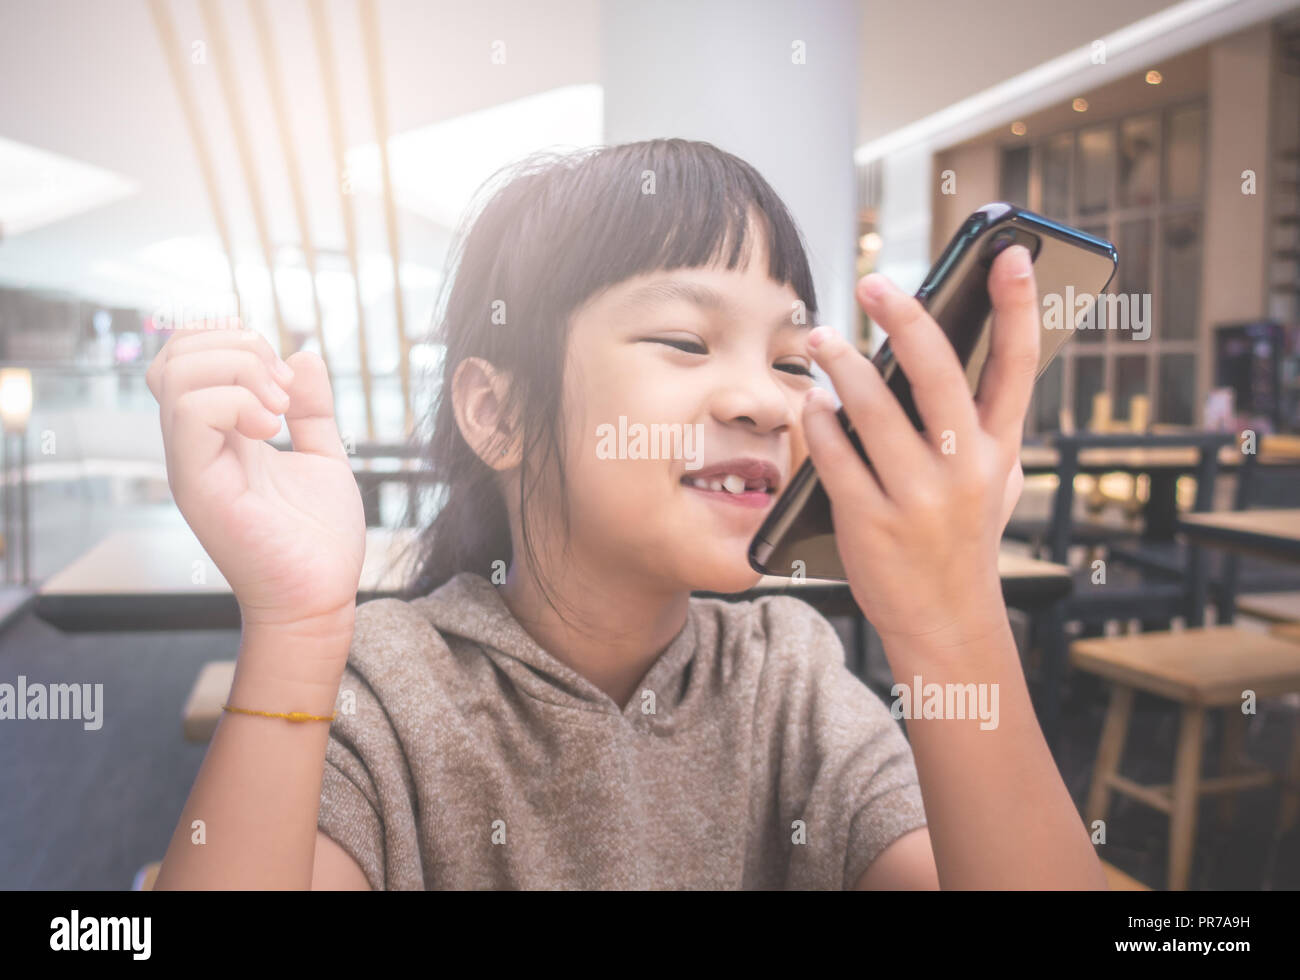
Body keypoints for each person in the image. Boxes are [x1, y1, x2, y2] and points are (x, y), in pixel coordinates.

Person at [148, 138, 1106, 890]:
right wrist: (293, 625)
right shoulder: (388, 693)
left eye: (789, 362)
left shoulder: (787, 675)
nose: (768, 404)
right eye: (687, 340)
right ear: (500, 412)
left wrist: (953, 622)